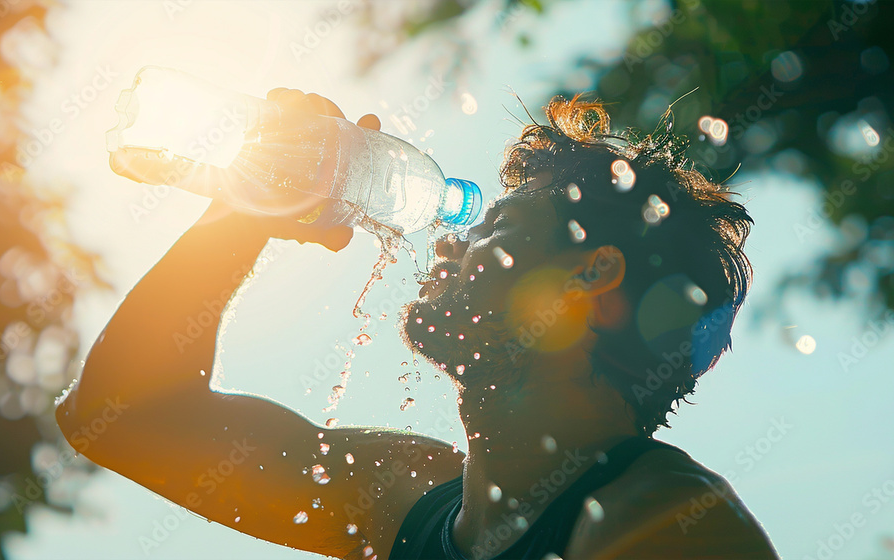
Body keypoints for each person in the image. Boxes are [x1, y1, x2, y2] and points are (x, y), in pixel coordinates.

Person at [56, 88, 778, 559]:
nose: (447, 241)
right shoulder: (407, 493)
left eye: (498, 226)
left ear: (591, 275)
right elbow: (121, 415)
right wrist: (244, 212)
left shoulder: (667, 524)